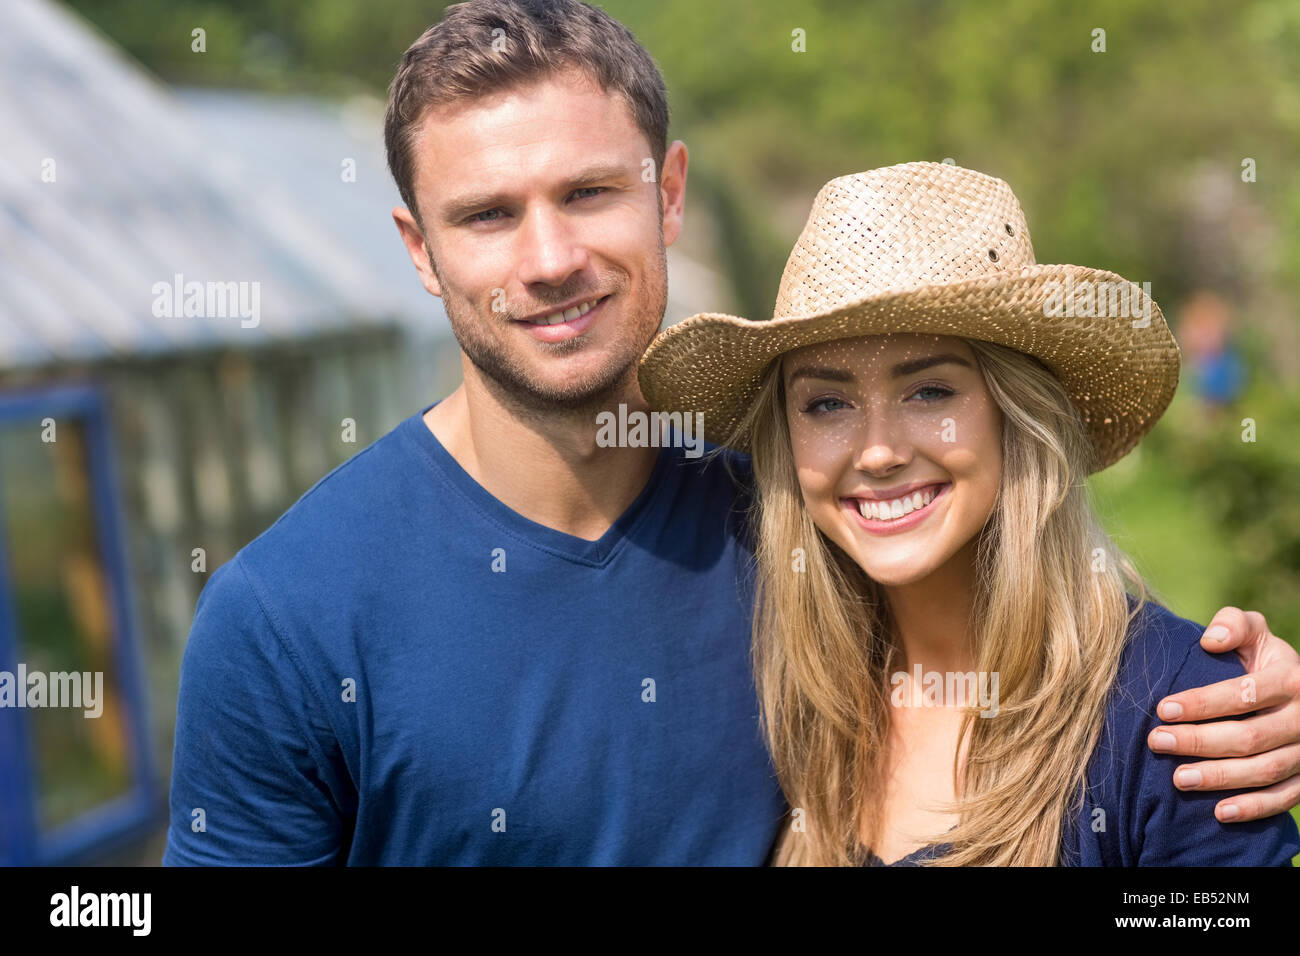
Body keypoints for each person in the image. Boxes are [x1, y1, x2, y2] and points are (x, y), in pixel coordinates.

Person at [163, 1, 1300, 866]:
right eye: (488, 214)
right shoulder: (285, 621)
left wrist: (1232, 692)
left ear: (668, 196)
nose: (549, 256)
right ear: (419, 249)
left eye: (589, 193)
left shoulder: (785, 535)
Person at [636, 161, 1300, 865]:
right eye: (827, 403)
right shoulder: (782, 689)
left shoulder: (1176, 715)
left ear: (1017, 415)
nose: (879, 451)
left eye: (929, 391)